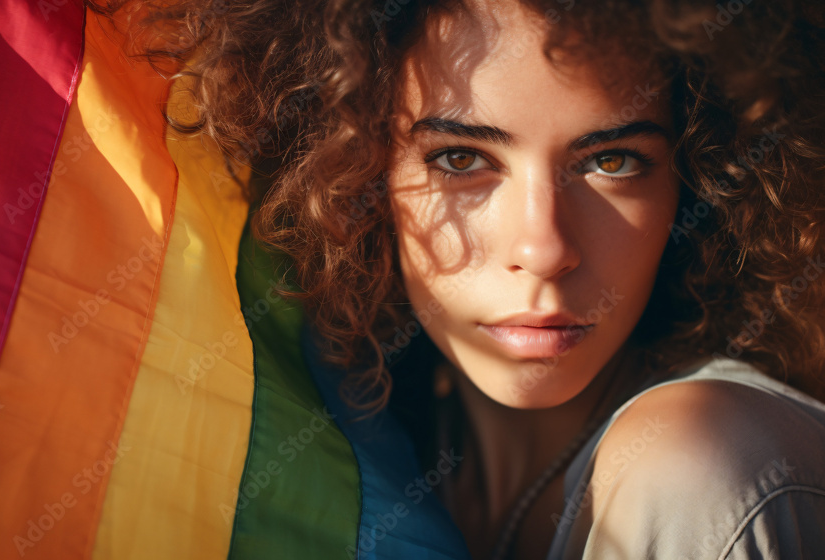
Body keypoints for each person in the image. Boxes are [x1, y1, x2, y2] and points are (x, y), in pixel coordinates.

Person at [151, 0, 825, 557]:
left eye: (613, 162)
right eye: (460, 158)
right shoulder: (359, 430)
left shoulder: (701, 464)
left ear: (699, 176)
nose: (544, 248)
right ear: (355, 167)